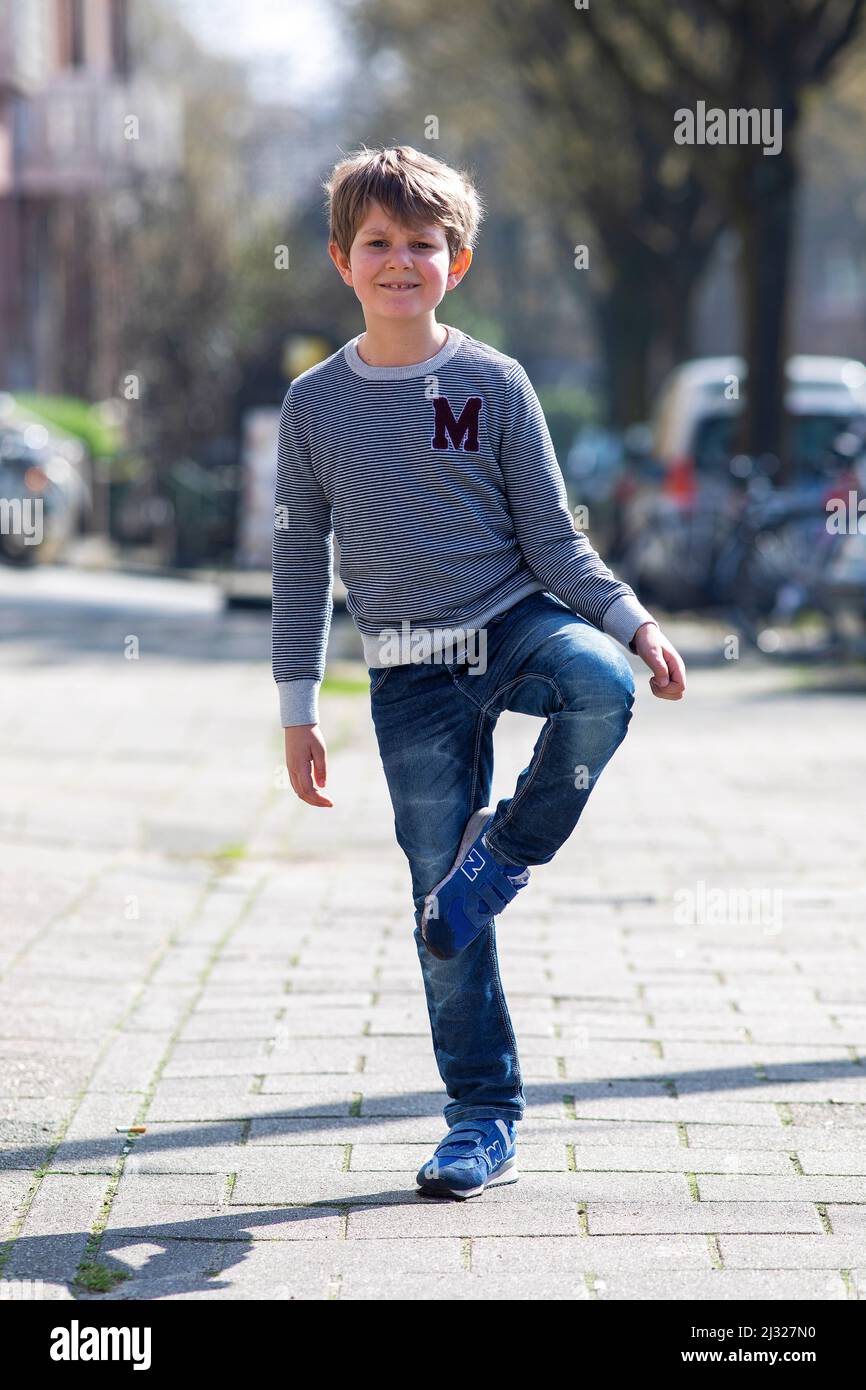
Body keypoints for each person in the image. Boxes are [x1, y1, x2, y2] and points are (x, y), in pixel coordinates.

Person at [272, 144, 686, 1202]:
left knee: (600, 686)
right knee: (435, 911)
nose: (399, 260)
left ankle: (502, 851)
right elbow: (295, 561)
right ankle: (480, 1119)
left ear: (455, 262)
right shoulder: (312, 408)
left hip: (514, 622)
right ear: (340, 259)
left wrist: (633, 625)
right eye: (378, 243)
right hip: (406, 673)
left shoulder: (494, 382)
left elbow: (555, 542)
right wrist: (298, 708)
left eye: (422, 244)